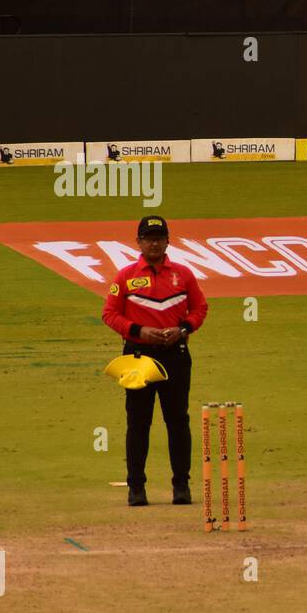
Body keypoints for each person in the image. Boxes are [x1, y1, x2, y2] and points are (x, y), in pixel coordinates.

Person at [101, 216, 208, 507]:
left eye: (159, 237)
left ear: (168, 241)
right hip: (138, 357)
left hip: (175, 354)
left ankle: (181, 486)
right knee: (138, 423)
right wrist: (140, 331)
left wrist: (183, 330)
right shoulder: (125, 276)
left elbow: (200, 308)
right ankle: (136, 488)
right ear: (138, 242)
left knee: (177, 421)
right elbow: (109, 314)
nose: (154, 243)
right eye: (149, 238)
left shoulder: (183, 275)